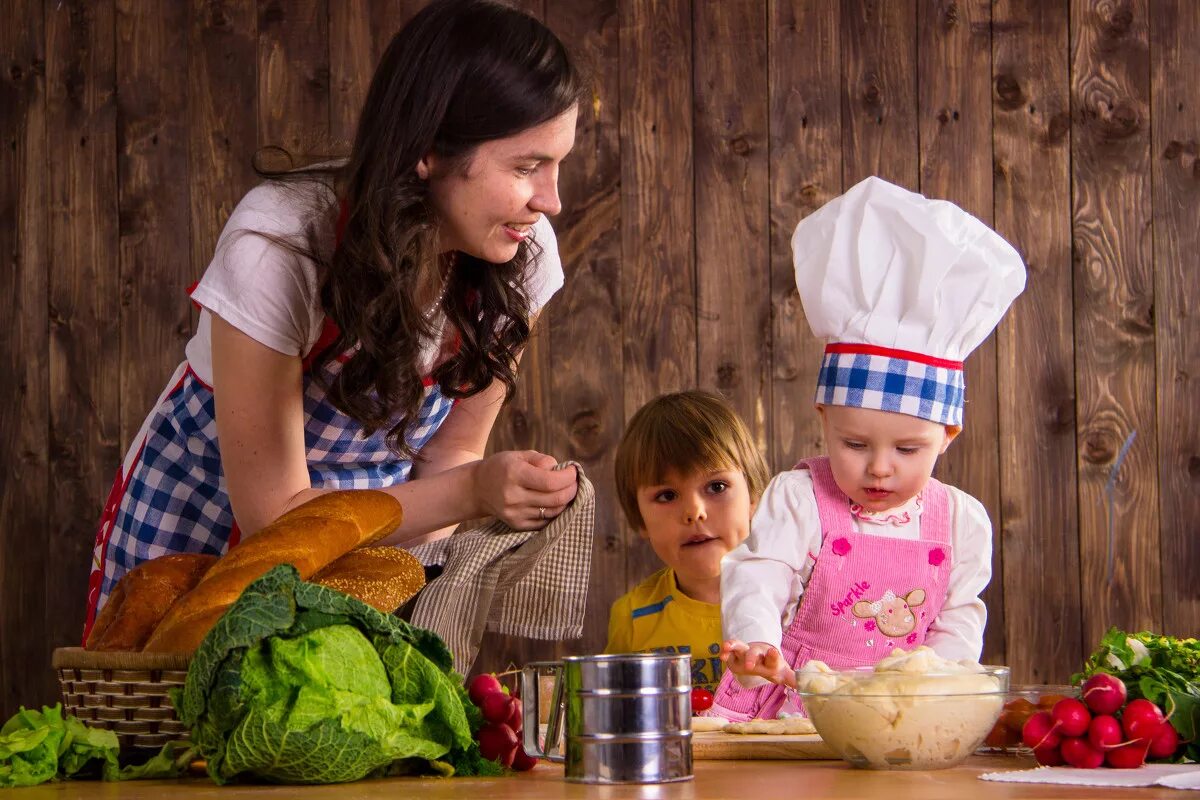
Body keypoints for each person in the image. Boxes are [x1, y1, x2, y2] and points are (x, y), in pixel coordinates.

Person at [84, 0, 586, 639]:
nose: (551, 201)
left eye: (557, 163)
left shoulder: (521, 257)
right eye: (525, 167)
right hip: (199, 537)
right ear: (429, 150)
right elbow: (273, 512)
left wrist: (396, 602)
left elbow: (454, 453)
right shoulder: (283, 239)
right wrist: (479, 492)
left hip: (369, 547)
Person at [709, 176, 1026, 720]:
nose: (879, 468)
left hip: (899, 719)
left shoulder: (961, 522)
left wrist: (934, 697)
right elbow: (759, 572)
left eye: (908, 449)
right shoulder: (801, 497)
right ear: (824, 417)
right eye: (854, 443)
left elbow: (957, 622)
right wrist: (757, 638)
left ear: (947, 435)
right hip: (791, 710)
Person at [604, 390, 770, 692]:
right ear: (639, 518)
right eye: (667, 495)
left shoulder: (794, 603)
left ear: (753, 497)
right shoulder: (632, 618)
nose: (694, 512)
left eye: (716, 486)